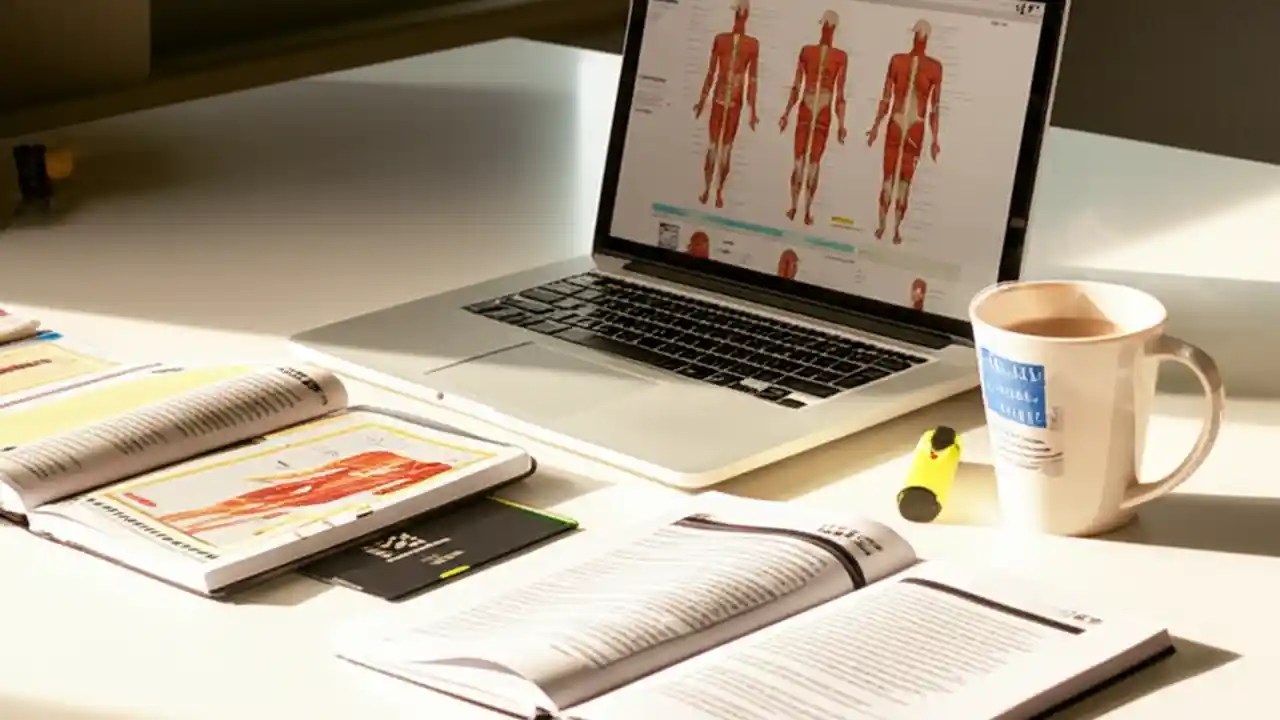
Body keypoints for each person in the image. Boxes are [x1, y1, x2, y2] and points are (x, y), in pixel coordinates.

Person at [156, 451, 453, 536]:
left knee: (257, 506)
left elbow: (309, 476)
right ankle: (192, 520)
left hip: (326, 491)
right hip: (326, 488)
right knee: (257, 504)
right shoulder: (385, 458)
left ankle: (193, 521)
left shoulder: (399, 464)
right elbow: (311, 474)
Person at [867, 19, 943, 245]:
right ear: (927, 37)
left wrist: (875, 126)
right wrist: (935, 139)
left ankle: (883, 227)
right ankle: (894, 230)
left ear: (914, 35)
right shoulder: (934, 67)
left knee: (890, 179)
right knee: (902, 182)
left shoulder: (898, 60)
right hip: (916, 126)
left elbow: (886, 99)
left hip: (897, 122)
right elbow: (934, 108)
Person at [780, 10, 849, 226]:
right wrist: (786, 112)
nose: (826, 29)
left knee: (810, 163)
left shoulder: (826, 55)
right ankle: (797, 208)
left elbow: (840, 94)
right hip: (815, 108)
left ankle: (803, 209)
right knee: (803, 162)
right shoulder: (822, 54)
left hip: (816, 108)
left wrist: (842, 124)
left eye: (827, 25)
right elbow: (797, 85)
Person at [694, 0, 761, 208]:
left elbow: (752, 78)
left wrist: (752, 110)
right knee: (715, 147)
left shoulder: (750, 44)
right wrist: (702, 99)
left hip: (732, 102)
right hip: (721, 99)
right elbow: (711, 72)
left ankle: (717, 192)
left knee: (724, 149)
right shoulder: (722, 40)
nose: (740, 15)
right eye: (739, 12)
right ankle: (708, 190)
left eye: (742, 12)